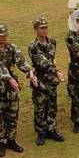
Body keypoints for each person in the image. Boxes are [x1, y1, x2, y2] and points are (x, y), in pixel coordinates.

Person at [0, 23, 32, 157]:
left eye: (5, 34)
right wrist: (9, 78)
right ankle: (1, 142)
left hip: (11, 88)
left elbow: (21, 61)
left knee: (12, 113)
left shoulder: (12, 47)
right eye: (1, 35)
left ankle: (11, 140)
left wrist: (29, 72)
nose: (4, 37)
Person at [26, 17, 65, 145]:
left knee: (52, 106)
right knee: (40, 107)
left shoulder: (52, 41)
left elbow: (52, 59)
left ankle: (51, 130)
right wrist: (56, 71)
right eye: (41, 28)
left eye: (46, 27)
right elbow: (42, 63)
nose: (44, 30)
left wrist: (54, 70)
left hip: (51, 81)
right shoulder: (33, 46)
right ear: (35, 29)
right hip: (40, 80)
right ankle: (41, 133)